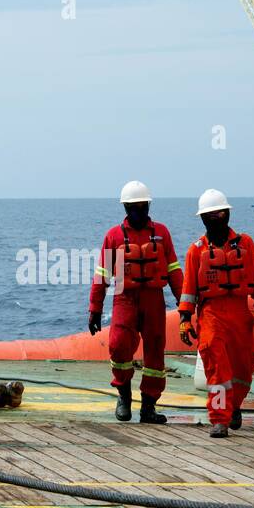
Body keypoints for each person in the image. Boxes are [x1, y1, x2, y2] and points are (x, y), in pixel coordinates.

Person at [177, 189, 254, 437]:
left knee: (244, 367)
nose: (217, 217)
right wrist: (185, 320)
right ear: (203, 219)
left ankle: (234, 407)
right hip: (211, 315)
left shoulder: (246, 244)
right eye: (211, 214)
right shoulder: (195, 251)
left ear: (228, 213)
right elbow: (188, 290)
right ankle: (220, 419)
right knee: (217, 368)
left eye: (220, 212)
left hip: (240, 313)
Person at [88, 181, 183, 423]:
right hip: (124, 298)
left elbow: (173, 270)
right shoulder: (113, 236)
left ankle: (149, 407)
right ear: (126, 208)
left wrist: (185, 306)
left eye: (143, 206)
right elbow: (102, 275)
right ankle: (123, 396)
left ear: (148, 205)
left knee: (155, 353)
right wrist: (95, 309)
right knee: (118, 345)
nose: (139, 211)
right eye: (134, 207)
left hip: (154, 299)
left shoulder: (162, 233)